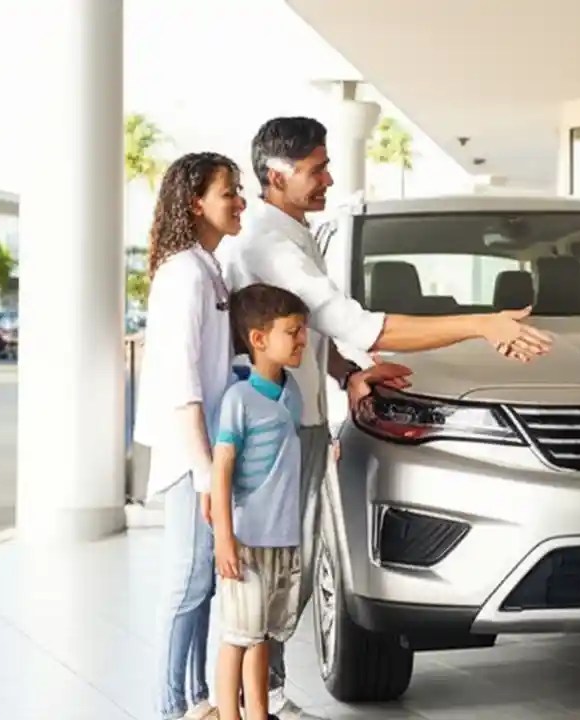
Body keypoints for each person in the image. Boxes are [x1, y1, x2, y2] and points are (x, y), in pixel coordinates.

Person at [215, 116, 553, 719]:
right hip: (280, 432)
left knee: (284, 569)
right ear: (276, 174)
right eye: (316, 169)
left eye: (325, 164)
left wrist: (349, 374)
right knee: (266, 575)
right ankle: (250, 701)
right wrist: (479, 323)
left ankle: (265, 696)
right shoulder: (268, 242)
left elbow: (320, 333)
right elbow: (357, 323)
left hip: (304, 421)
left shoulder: (293, 233)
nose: (328, 177)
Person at [133, 152, 246, 720]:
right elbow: (181, 381)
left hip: (206, 454)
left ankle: (194, 699)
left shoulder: (207, 267)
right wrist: (205, 473)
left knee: (201, 582)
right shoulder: (184, 274)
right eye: (229, 192)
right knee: (187, 580)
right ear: (195, 201)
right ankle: (170, 707)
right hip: (189, 455)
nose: (240, 201)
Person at [210, 284, 311, 720]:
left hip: (283, 538)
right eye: (293, 331)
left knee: (263, 636)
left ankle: (258, 714)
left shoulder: (294, 394)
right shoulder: (238, 400)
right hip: (246, 541)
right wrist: (223, 538)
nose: (303, 339)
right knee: (238, 635)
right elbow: (222, 468)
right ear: (259, 339)